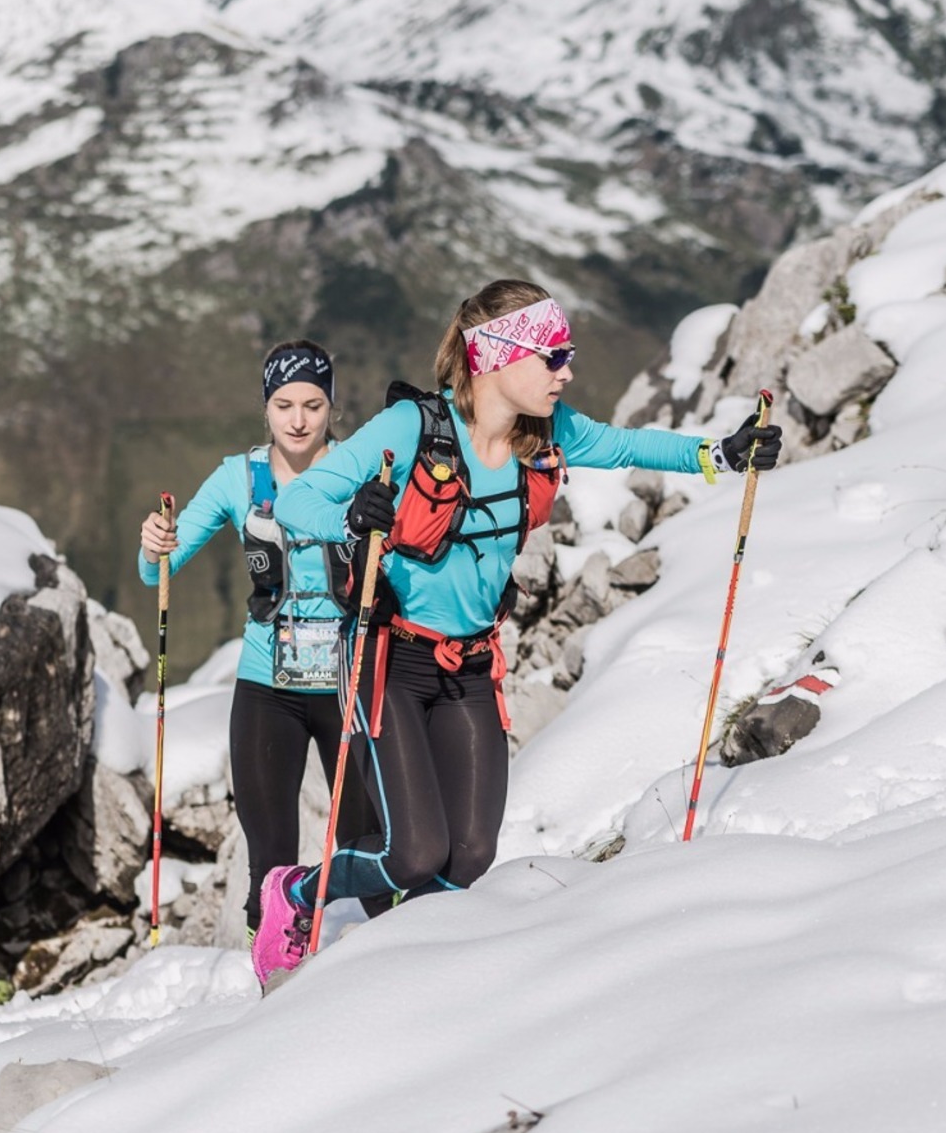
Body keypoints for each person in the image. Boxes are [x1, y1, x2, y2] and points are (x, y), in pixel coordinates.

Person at [252, 279, 780, 980]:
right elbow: (302, 501)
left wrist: (721, 455)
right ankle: (292, 890)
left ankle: (406, 965)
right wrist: (351, 518)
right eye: (553, 355)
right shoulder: (413, 429)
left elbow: (627, 445)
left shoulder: (546, 434)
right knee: (411, 855)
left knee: (469, 856)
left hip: (471, 665)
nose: (566, 371)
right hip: (392, 659)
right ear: (496, 358)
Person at [138, 341, 375, 939]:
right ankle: (271, 993)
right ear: (265, 408)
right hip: (267, 683)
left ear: (331, 408)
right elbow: (156, 572)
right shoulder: (234, 478)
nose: (298, 420)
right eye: (284, 404)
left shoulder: (360, 473)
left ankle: (392, 969)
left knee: (369, 841)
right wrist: (153, 544)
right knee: (269, 859)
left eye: (313, 405)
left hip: (349, 678)